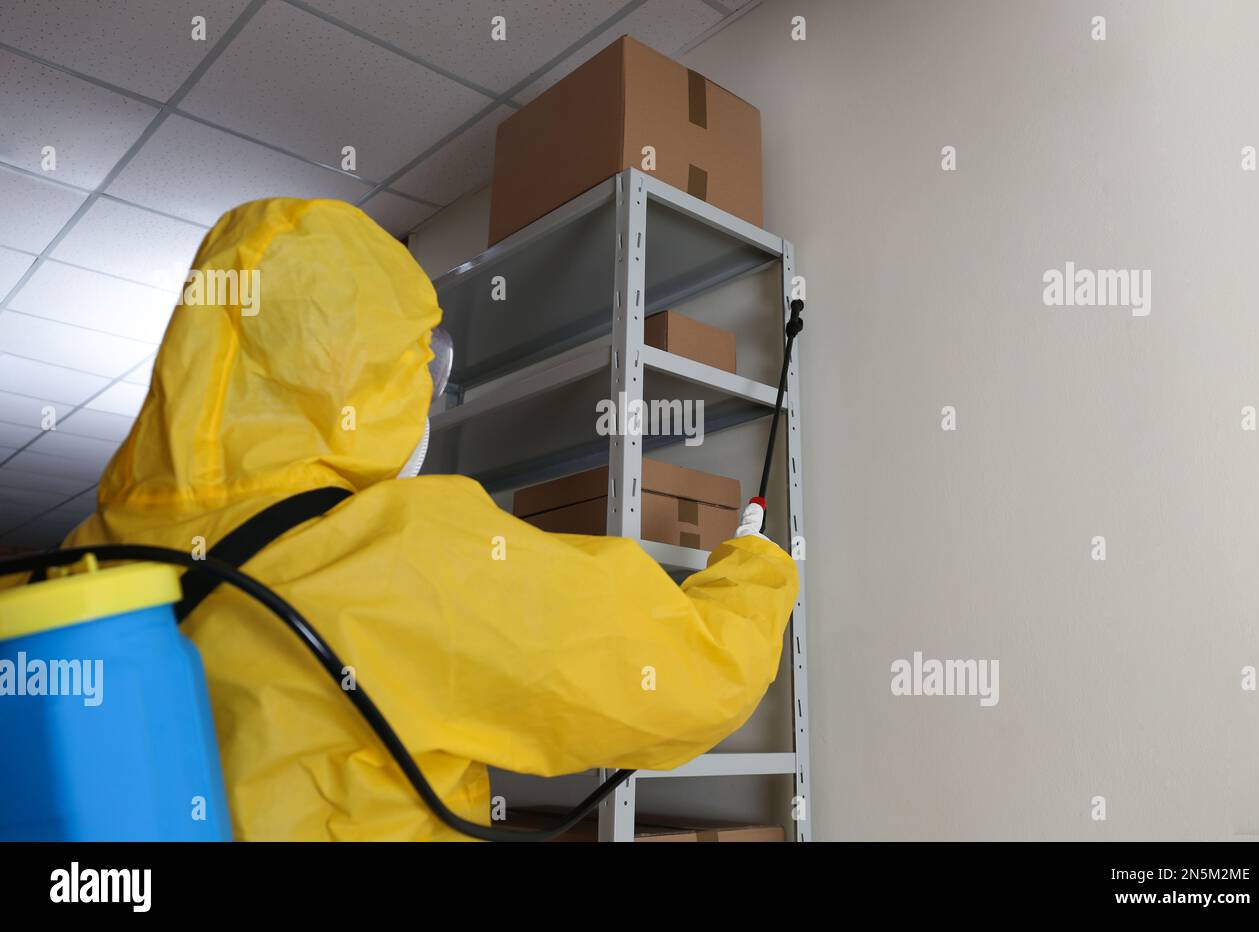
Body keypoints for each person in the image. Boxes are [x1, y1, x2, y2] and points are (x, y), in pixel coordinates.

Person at [61, 197, 800, 841]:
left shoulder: (88, 557)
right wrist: (757, 568)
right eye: (418, 363)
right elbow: (691, 679)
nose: (428, 393)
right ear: (359, 375)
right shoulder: (399, 557)